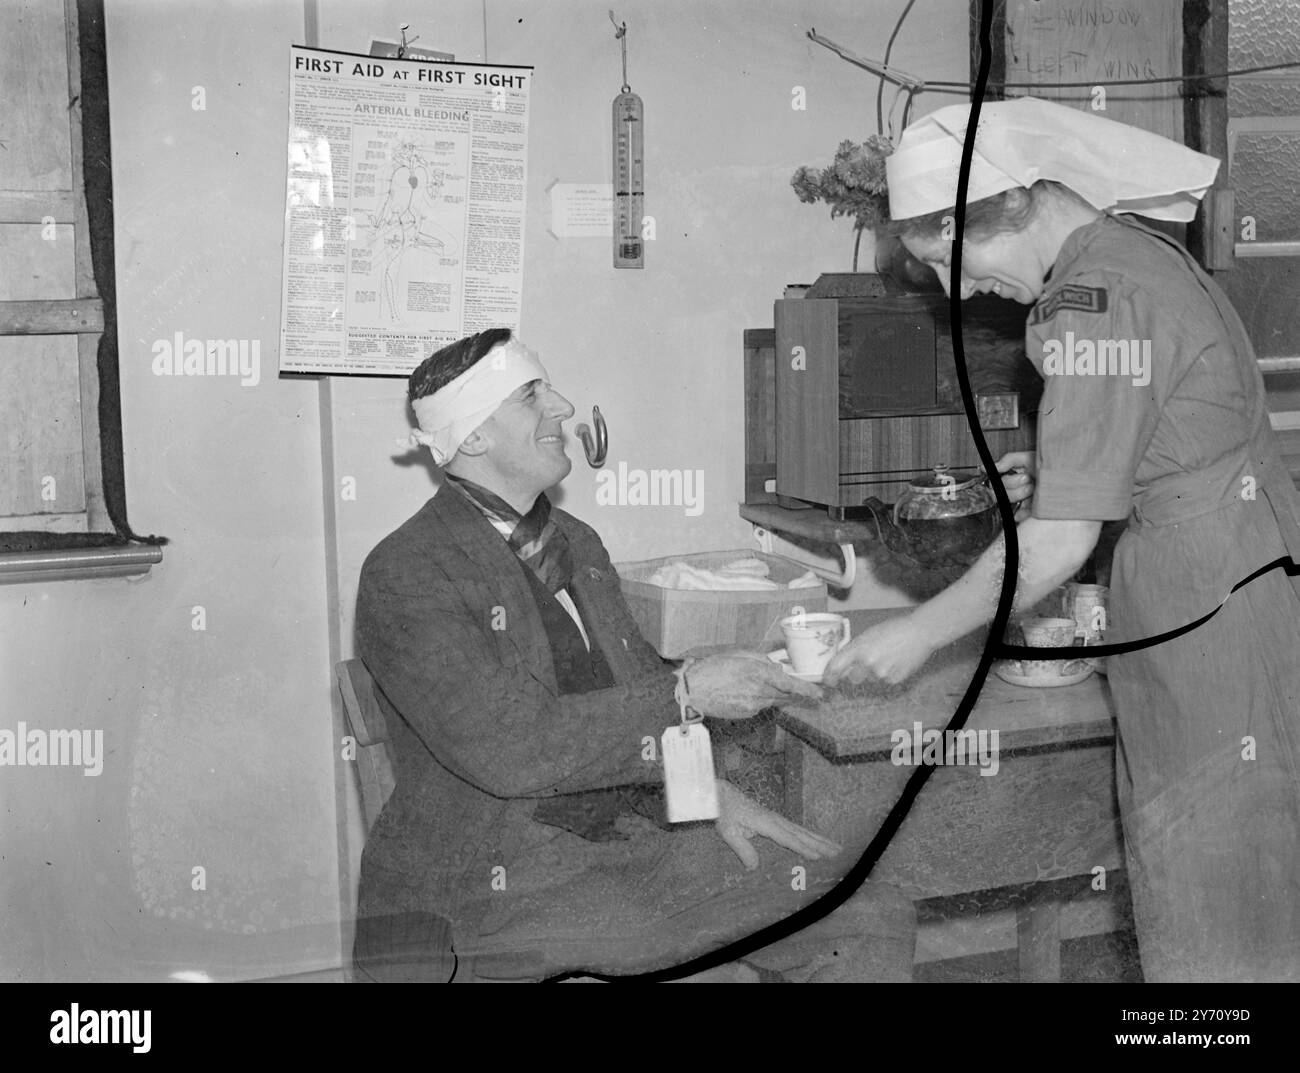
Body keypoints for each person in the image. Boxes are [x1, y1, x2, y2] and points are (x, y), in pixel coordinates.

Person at [825, 97, 1300, 982]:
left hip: (1208, 603)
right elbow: (1183, 429)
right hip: (1249, 563)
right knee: (1252, 861)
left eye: (950, 260)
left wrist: (919, 634)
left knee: (1211, 873)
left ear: (1008, 208)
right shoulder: (1134, 253)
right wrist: (1070, 476)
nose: (961, 291)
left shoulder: (1090, 300)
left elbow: (1054, 546)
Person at [352, 327, 916, 981]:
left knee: (869, 911)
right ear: (474, 435)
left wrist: (710, 794)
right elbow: (510, 748)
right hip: (497, 878)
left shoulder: (574, 542)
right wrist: (688, 692)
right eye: (534, 396)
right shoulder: (408, 570)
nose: (563, 407)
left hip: (626, 845)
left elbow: (638, 687)